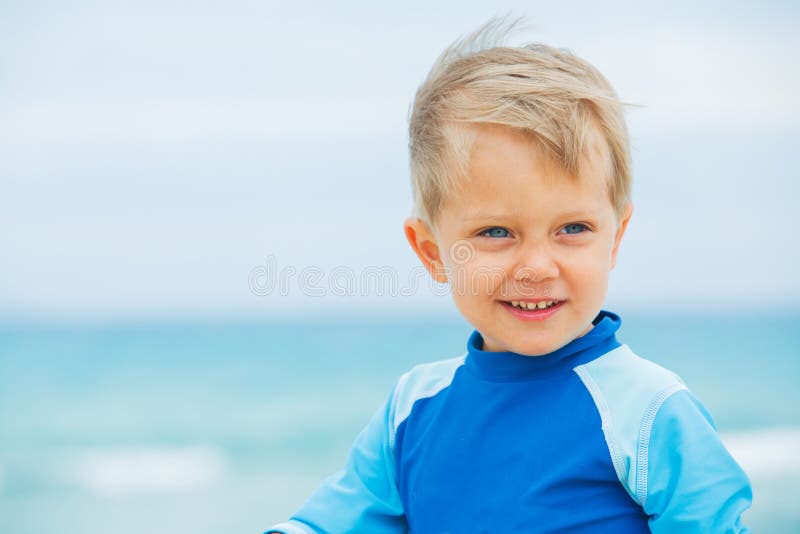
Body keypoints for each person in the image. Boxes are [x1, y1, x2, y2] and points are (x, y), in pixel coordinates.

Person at [266, 17, 752, 533]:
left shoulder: (650, 412)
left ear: (617, 236)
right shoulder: (411, 411)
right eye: (496, 232)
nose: (537, 268)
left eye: (572, 228)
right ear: (432, 251)